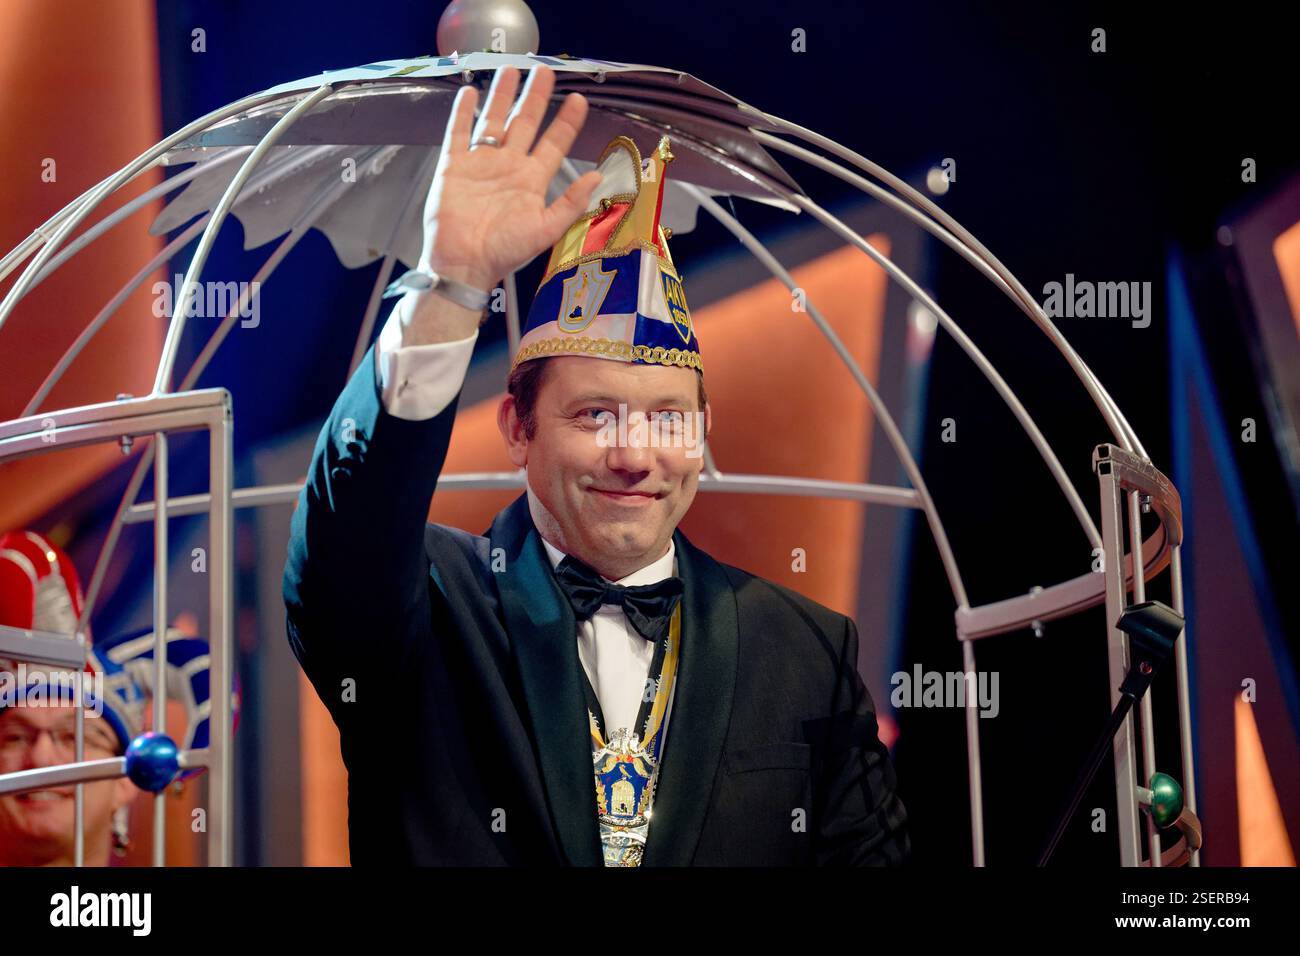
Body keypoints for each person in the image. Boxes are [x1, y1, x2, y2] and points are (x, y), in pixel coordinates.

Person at [283, 64, 909, 866]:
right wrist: (456, 282)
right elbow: (345, 544)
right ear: (517, 426)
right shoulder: (427, 604)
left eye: (666, 418)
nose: (634, 454)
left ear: (703, 432)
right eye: (594, 415)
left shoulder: (808, 650)